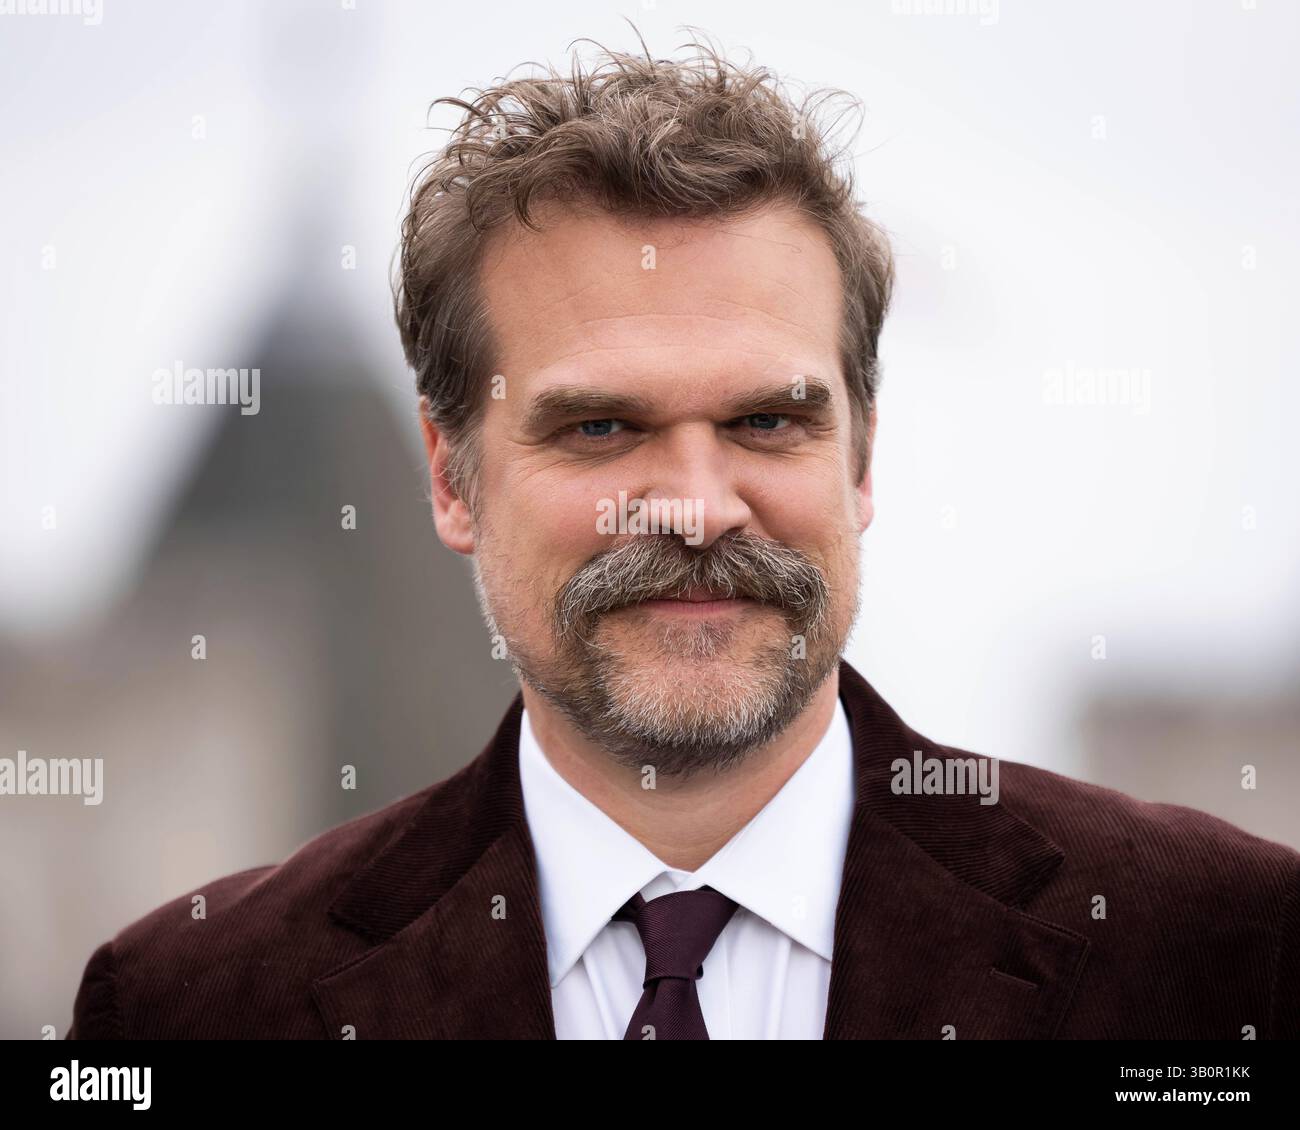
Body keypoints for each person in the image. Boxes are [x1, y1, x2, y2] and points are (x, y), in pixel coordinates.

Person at [68, 35, 1298, 1040]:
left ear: (861, 460)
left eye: (767, 421)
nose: (698, 506)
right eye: (601, 427)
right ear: (451, 480)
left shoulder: (1226, 954)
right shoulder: (192, 1008)